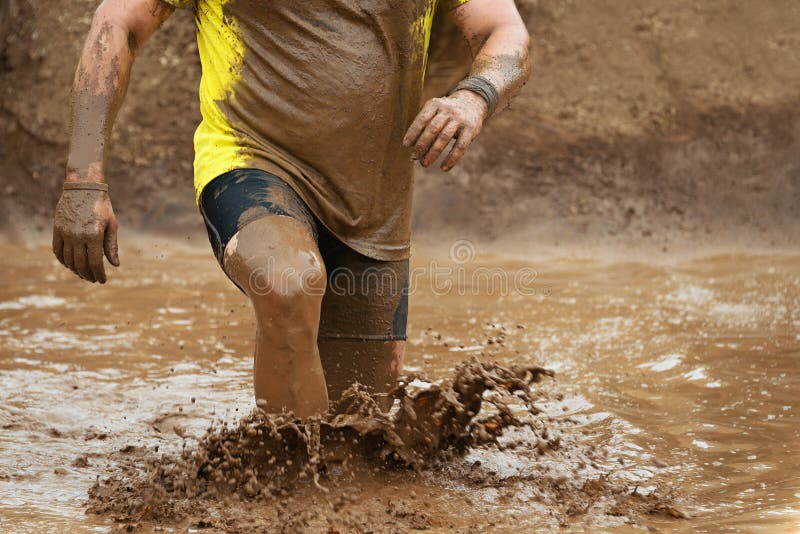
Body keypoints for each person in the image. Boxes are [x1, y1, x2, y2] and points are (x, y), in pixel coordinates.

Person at [52, 0, 530, 418]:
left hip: (374, 206)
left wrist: (475, 96)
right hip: (250, 160)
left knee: (364, 436)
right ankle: (289, 504)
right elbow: (119, 20)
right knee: (288, 281)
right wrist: (83, 180)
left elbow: (503, 30)